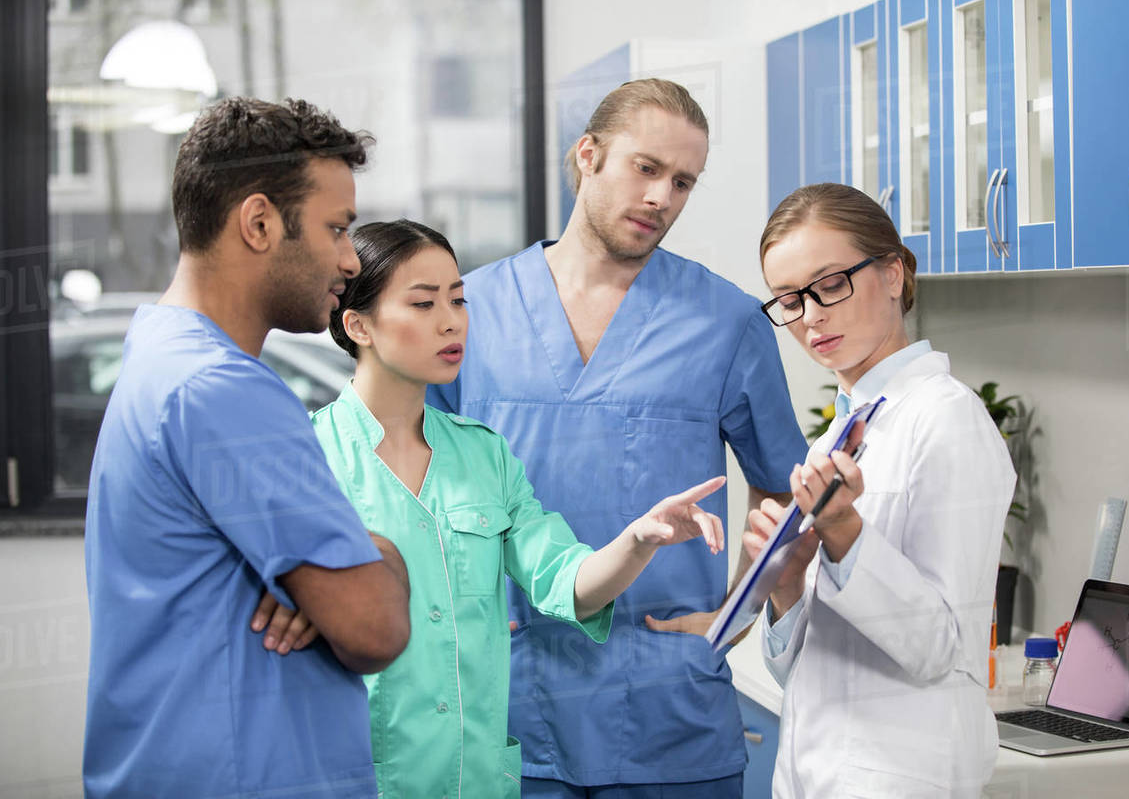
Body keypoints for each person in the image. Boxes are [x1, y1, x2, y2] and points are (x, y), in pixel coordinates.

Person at [428, 78, 809, 796]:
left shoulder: (726, 324)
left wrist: (735, 615)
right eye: (646, 168)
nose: (662, 196)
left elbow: (784, 492)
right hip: (509, 697)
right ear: (588, 155)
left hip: (665, 709)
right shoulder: (471, 311)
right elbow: (415, 481)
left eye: (683, 182)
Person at [310, 218, 728, 798]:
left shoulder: (484, 455)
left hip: (476, 779)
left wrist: (639, 539)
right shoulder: (309, 461)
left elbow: (565, 580)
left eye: (458, 299)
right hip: (367, 778)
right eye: (424, 303)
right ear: (359, 325)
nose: (451, 320)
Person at [82, 97, 411, 799]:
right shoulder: (224, 389)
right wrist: (380, 556)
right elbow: (375, 627)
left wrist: (328, 579)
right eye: (337, 229)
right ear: (260, 223)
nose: (351, 260)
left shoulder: (159, 355)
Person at [748, 182, 1016, 797]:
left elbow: (940, 648)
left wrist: (844, 533)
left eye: (830, 283)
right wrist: (786, 586)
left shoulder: (948, 419)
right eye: (788, 298)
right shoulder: (835, 438)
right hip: (814, 772)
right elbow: (805, 671)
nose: (810, 315)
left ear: (892, 273)